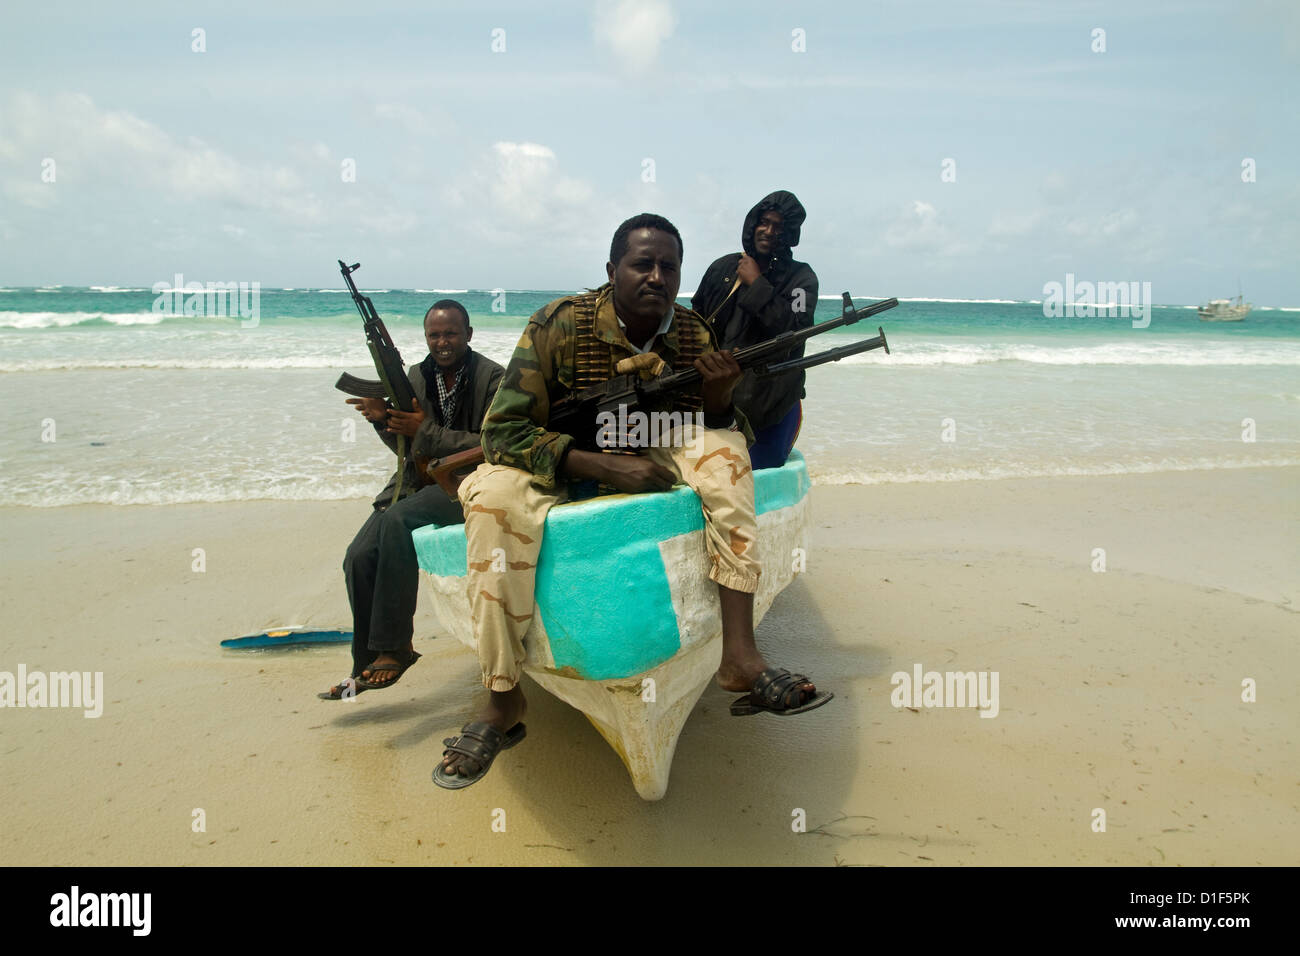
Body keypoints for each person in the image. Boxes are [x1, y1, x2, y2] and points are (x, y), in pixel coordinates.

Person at [434, 214, 832, 789]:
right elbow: (501, 431)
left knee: (725, 454)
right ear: (612, 270)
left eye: (669, 267)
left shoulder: (693, 332)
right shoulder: (559, 326)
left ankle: (740, 657)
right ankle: (501, 695)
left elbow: (718, 423)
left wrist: (719, 400)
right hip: (560, 452)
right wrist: (595, 463)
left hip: (654, 440)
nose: (656, 277)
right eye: (641, 264)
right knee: (492, 502)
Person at [319, 299, 505, 700]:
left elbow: (497, 444)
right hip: (415, 480)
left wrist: (427, 430)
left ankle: (396, 647)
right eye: (434, 335)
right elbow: (406, 448)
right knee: (358, 556)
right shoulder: (416, 376)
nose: (442, 342)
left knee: (397, 522)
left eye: (450, 333)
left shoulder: (493, 378)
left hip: (467, 483)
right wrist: (383, 422)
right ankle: (364, 665)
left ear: (468, 335)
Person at [691, 190, 818, 469]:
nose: (769, 231)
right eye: (764, 222)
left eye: (778, 226)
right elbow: (694, 325)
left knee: (758, 477)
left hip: (772, 408)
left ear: (790, 233)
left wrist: (757, 283)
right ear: (753, 223)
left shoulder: (801, 278)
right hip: (717, 403)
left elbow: (793, 333)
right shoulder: (723, 268)